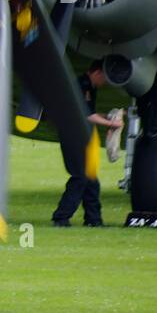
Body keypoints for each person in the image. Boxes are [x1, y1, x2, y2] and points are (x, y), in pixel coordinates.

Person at [52, 60, 124, 227]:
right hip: (73, 136)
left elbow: (90, 111)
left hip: (80, 136)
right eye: (104, 78)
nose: (105, 82)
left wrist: (107, 116)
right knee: (80, 177)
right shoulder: (81, 85)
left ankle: (94, 220)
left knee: (90, 178)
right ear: (97, 73)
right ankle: (61, 217)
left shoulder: (90, 87)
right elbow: (85, 114)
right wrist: (112, 125)